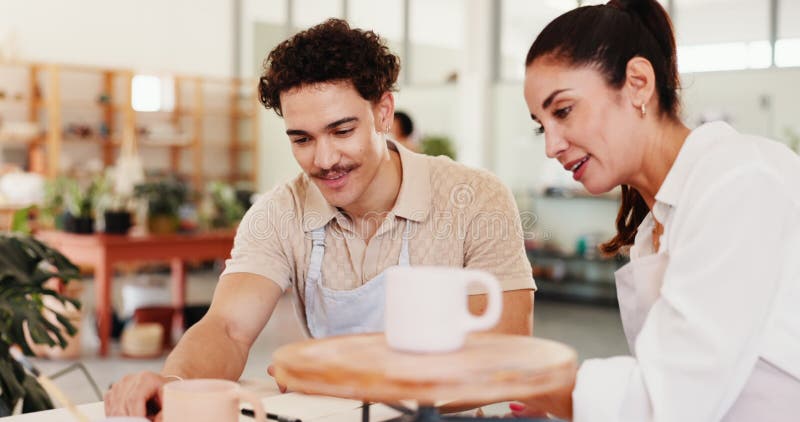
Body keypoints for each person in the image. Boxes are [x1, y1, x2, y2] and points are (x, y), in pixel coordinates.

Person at [105, 19, 536, 419]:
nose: (325, 160)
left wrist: (340, 375)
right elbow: (228, 327)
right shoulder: (279, 213)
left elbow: (507, 345)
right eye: (303, 139)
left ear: (383, 112)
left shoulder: (474, 197)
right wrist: (175, 384)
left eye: (342, 131)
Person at [512, 0, 800, 420]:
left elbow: (676, 396)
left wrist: (540, 386)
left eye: (564, 111)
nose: (551, 145)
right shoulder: (655, 228)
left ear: (638, 83)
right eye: (543, 124)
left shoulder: (740, 179)